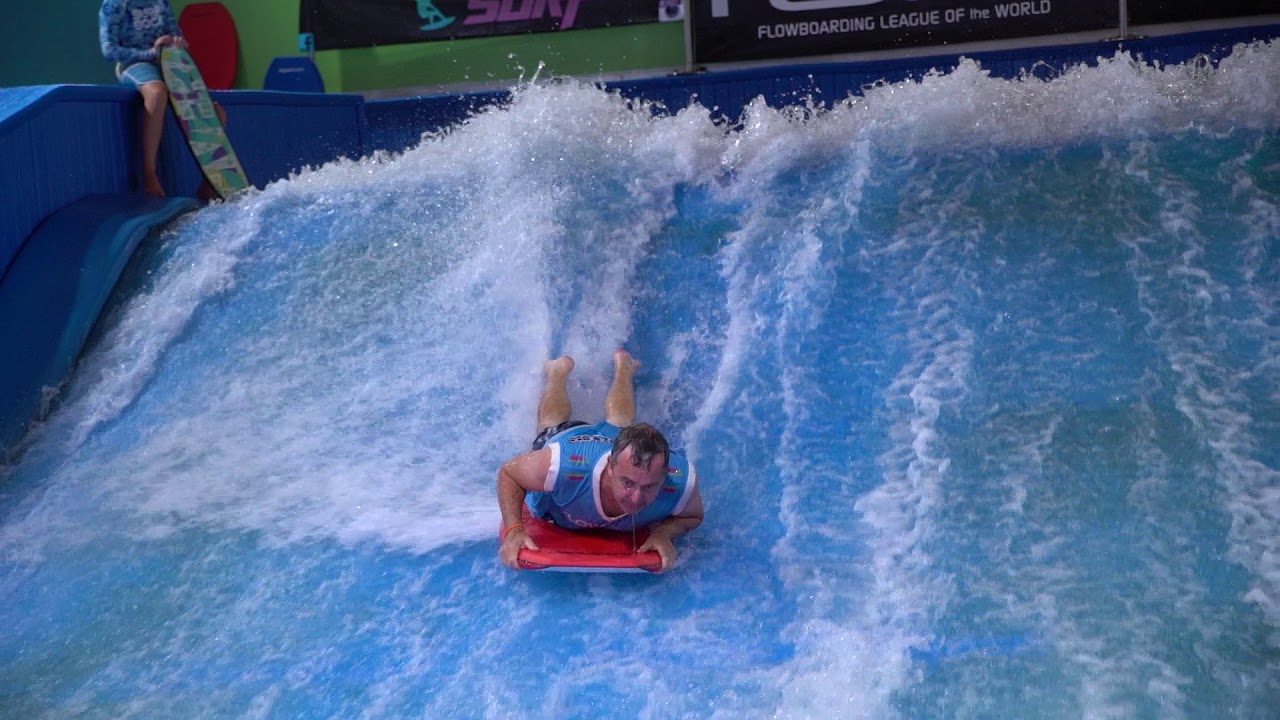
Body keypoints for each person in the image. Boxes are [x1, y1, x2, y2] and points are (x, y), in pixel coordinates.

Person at [497, 350, 703, 572]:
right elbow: (509, 473)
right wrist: (514, 530)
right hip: (571, 442)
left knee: (620, 423)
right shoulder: (562, 465)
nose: (636, 498)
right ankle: (557, 373)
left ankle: (625, 368)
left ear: (665, 477)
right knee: (550, 422)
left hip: (614, 441)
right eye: (628, 483)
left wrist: (664, 533)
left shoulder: (680, 482)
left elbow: (693, 516)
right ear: (611, 469)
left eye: (650, 486)